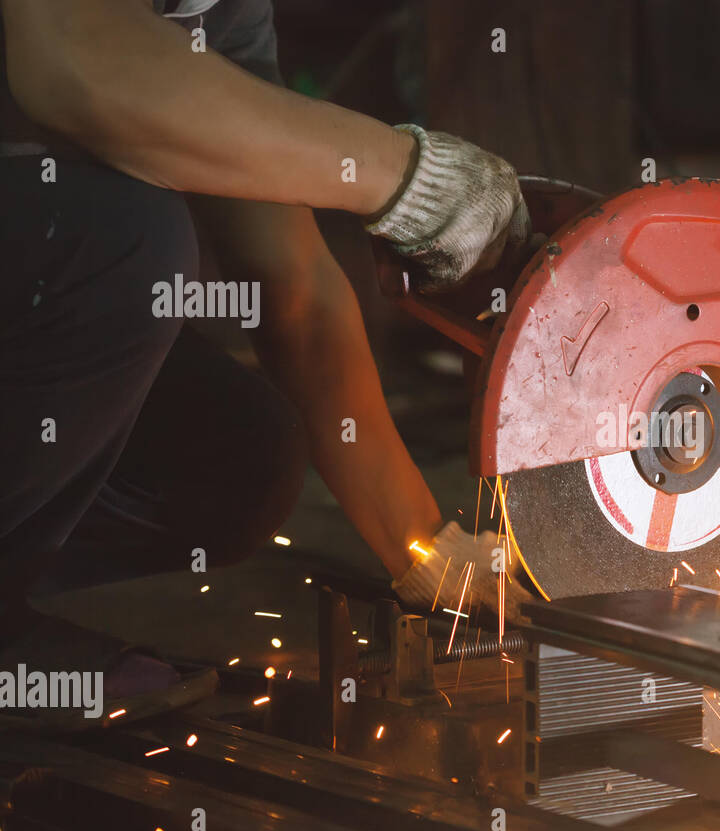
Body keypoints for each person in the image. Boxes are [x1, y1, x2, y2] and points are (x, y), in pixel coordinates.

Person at [0, 0, 530, 708]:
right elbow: (73, 56)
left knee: (239, 458)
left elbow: (297, 294)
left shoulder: (219, 14)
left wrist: (428, 550)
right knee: (119, 242)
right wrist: (403, 177)